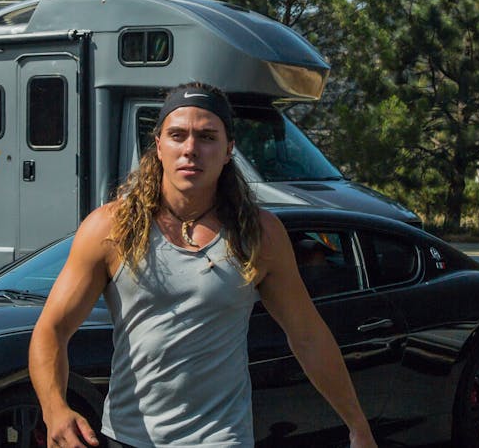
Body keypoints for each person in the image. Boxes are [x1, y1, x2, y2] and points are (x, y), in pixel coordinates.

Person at [28, 82, 377, 448]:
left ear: (229, 150)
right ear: (158, 145)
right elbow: (51, 330)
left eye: (207, 137)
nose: (191, 149)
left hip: (222, 439)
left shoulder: (259, 234)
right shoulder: (110, 227)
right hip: (129, 438)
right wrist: (55, 410)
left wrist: (357, 426)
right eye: (178, 135)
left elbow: (308, 336)